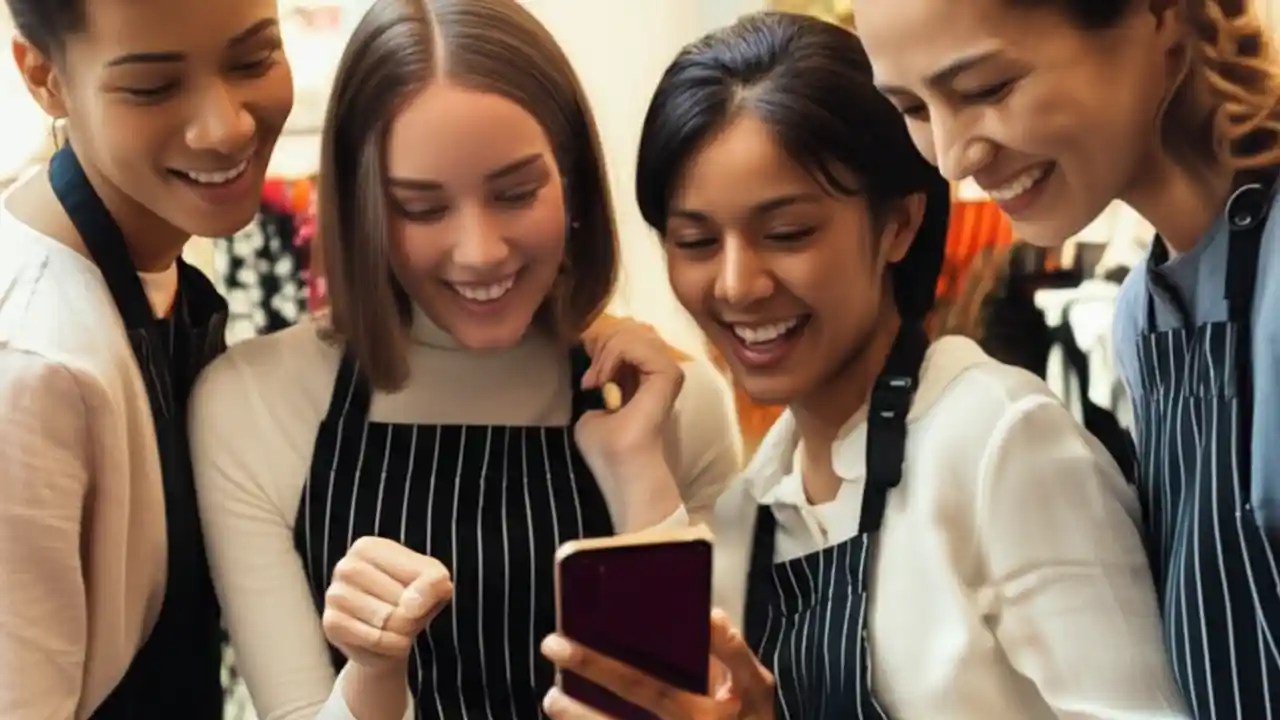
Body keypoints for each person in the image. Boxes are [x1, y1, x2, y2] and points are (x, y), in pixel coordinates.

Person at [538, 12, 1189, 719]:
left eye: (788, 233)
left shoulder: (998, 442)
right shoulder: (748, 511)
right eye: (695, 242)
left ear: (900, 224)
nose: (737, 285)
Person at [186, 0, 741, 718]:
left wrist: (641, 478)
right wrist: (371, 674)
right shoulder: (252, 403)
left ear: (573, 182)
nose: (479, 252)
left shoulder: (670, 398)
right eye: (422, 209)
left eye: (515, 194)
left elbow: (706, 702)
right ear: (363, 210)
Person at [851, 0, 1280, 714]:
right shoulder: (1145, 314)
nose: (953, 159)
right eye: (913, 109)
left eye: (986, 88)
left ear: (1160, 15)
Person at [0, 0, 294, 717]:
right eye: (153, 87)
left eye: (252, 59)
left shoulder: (152, 269)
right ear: (44, 78)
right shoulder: (34, 365)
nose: (225, 127)